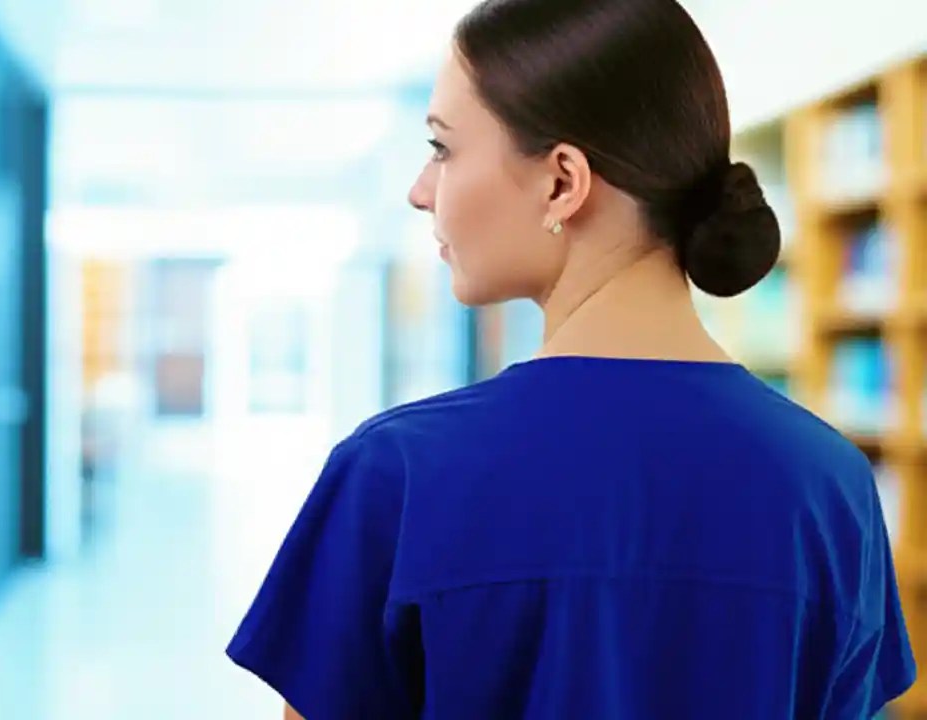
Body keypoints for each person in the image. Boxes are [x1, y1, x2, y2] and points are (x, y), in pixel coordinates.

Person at [226, 0, 917, 718]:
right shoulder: (831, 487)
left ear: (562, 182)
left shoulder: (396, 475)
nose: (420, 191)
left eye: (442, 149)